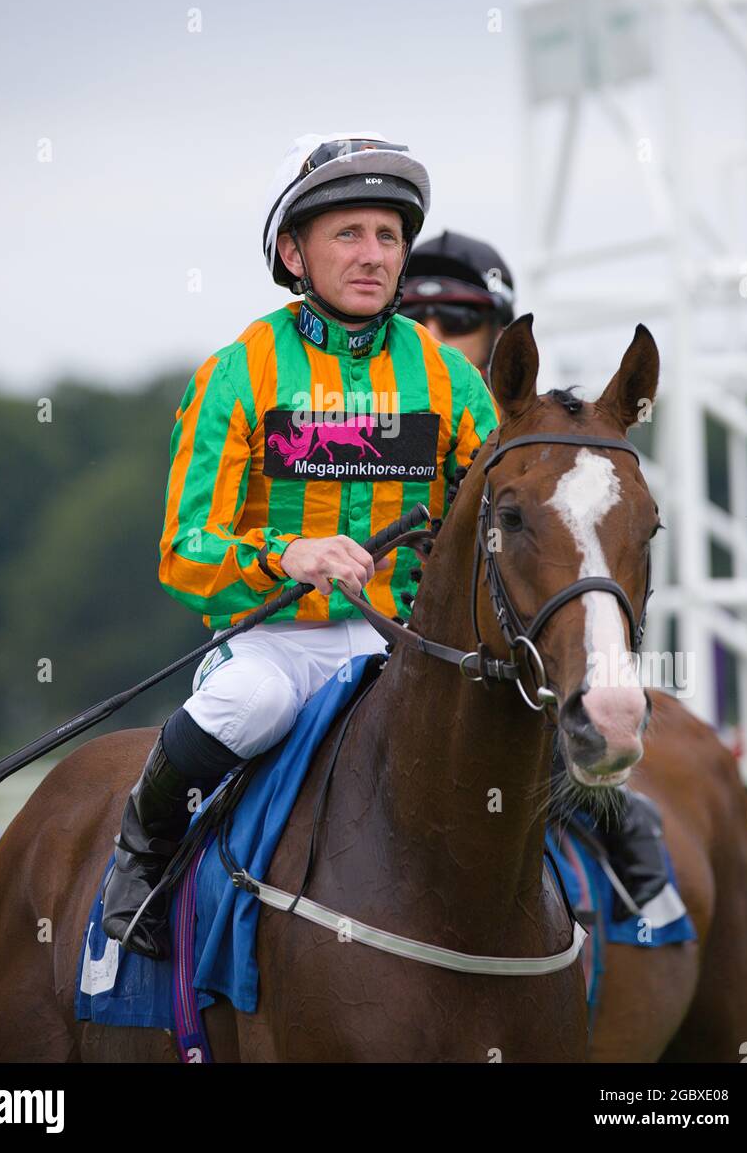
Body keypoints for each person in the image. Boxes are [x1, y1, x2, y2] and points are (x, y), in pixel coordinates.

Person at [101, 133, 499, 959]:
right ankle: (141, 853)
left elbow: (496, 527)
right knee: (251, 706)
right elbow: (184, 548)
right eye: (347, 234)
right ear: (293, 253)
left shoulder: (454, 385)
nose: (373, 255)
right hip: (274, 644)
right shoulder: (236, 373)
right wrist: (289, 554)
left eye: (388, 236)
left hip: (408, 646)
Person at [399, 231, 673, 923]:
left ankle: (639, 872)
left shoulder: (528, 436)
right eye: (414, 319)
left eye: (458, 321)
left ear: (499, 341)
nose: (434, 335)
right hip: (370, 634)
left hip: (503, 659)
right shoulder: (357, 409)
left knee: (575, 763)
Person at [399, 230, 515, 383]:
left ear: (500, 335)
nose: (430, 336)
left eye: (456, 319)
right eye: (407, 320)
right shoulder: (363, 402)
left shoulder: (544, 407)